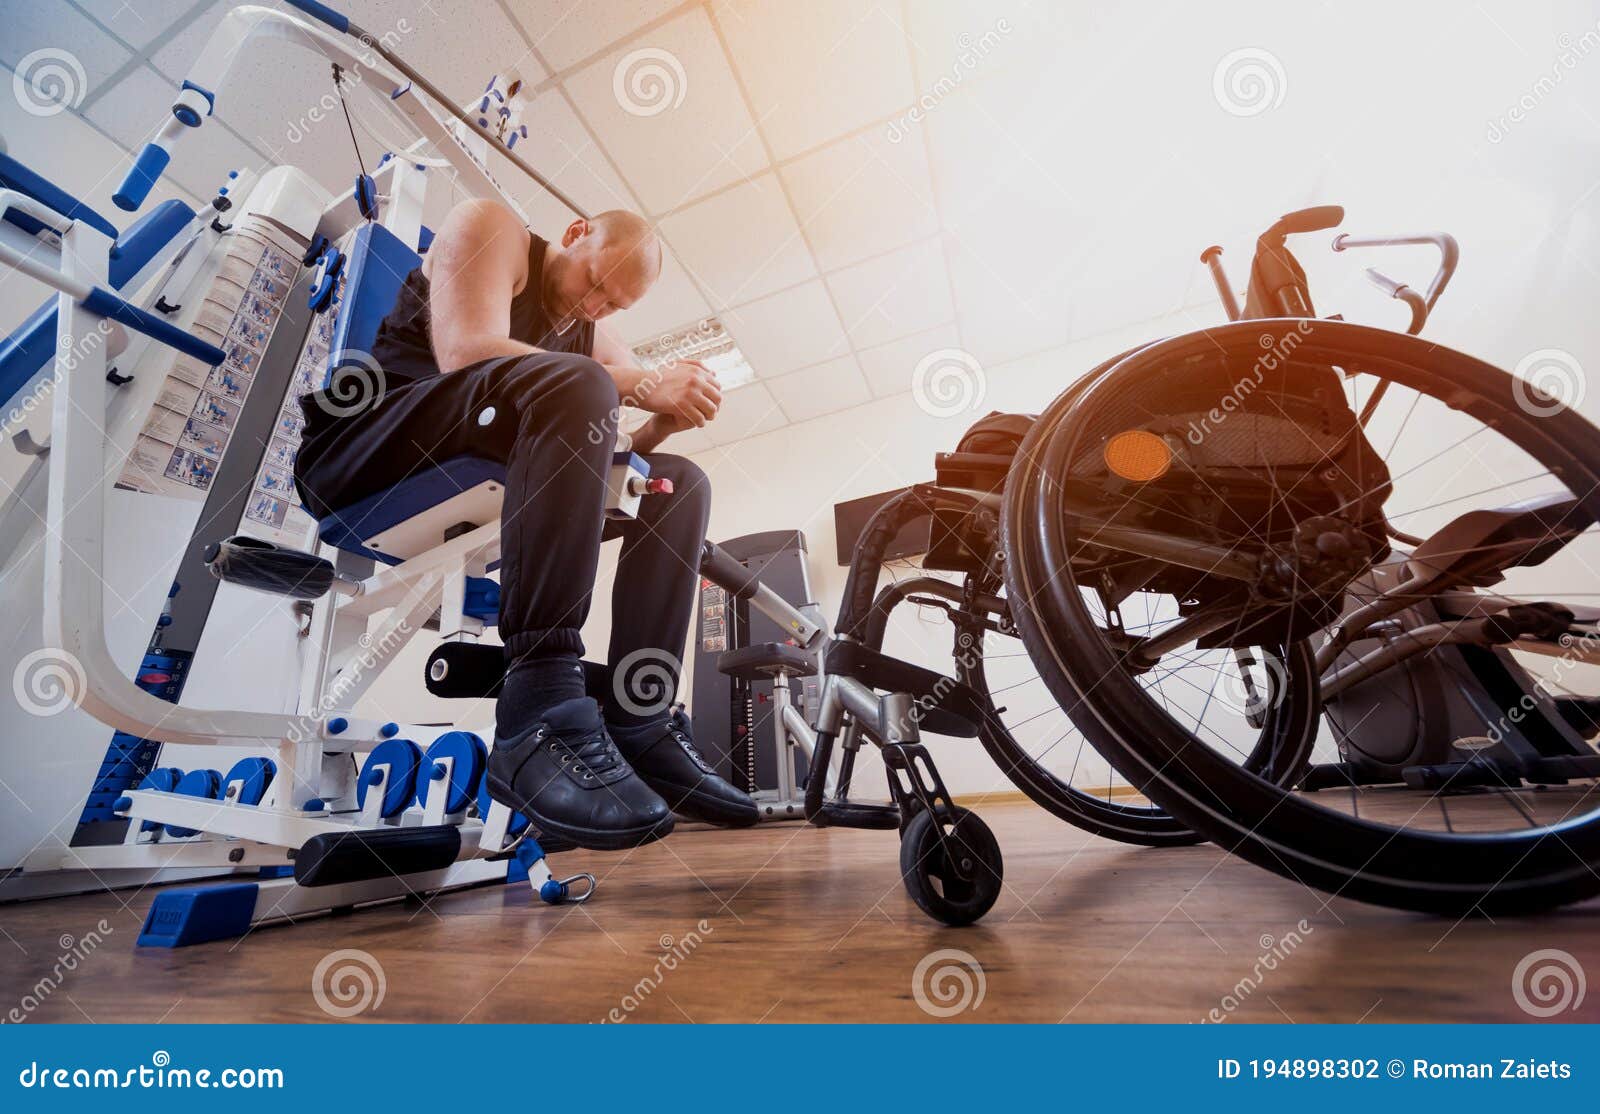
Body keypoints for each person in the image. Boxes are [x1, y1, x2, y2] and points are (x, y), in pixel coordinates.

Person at [292, 200, 758, 849]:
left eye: (613, 305)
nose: (595, 306)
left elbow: (610, 452)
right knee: (582, 381)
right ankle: (538, 705)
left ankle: (641, 716)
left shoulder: (585, 333)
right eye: (594, 282)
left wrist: (658, 427)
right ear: (575, 233)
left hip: (481, 465)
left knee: (677, 485)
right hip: (363, 454)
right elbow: (466, 352)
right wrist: (637, 381)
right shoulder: (494, 228)